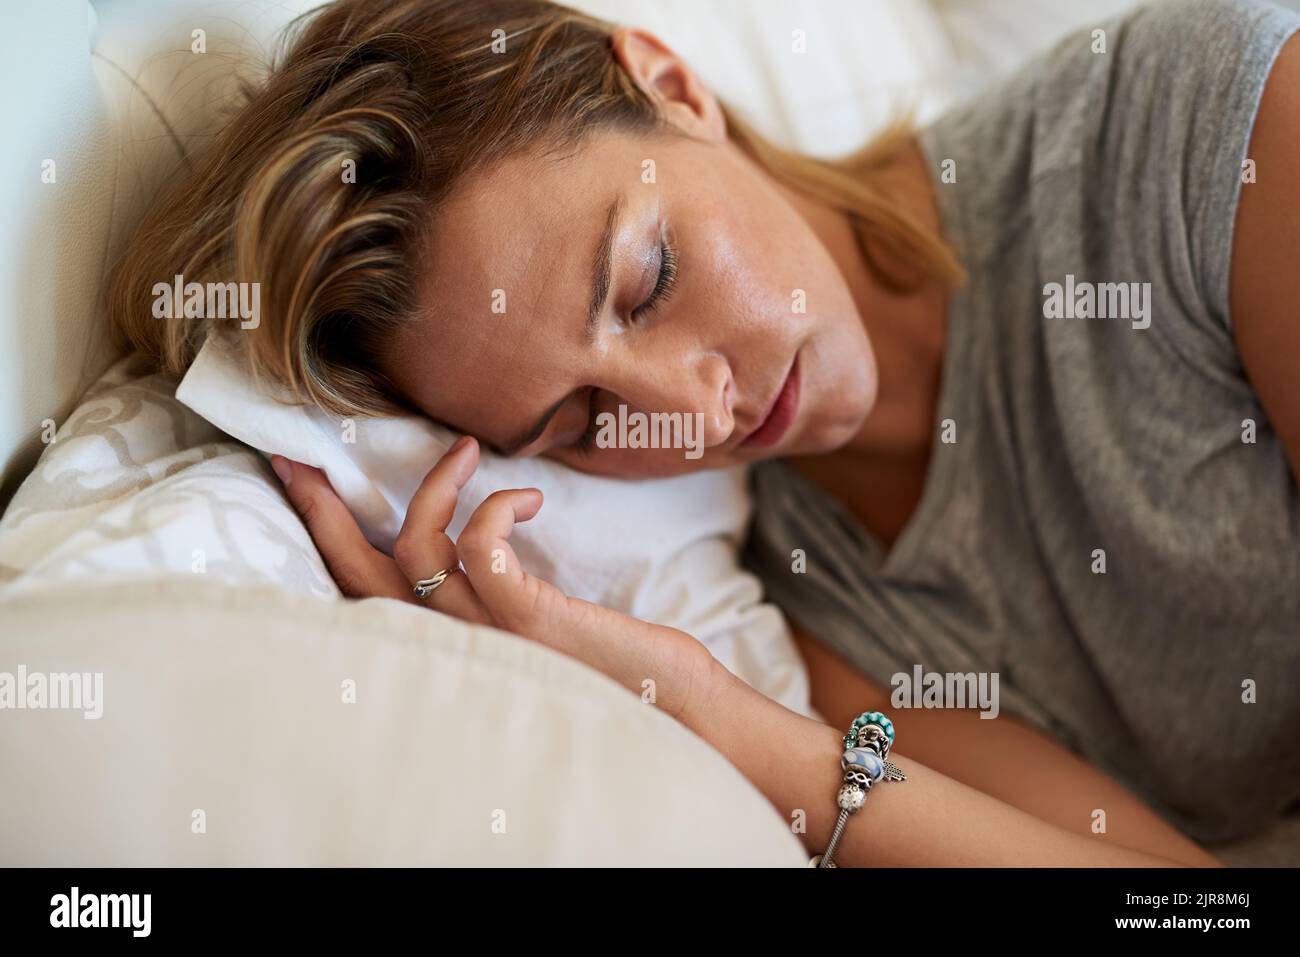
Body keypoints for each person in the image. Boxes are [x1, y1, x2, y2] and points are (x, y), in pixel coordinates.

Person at [106, 0, 1300, 866]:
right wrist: (697, 706)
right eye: (578, 419)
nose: (690, 412)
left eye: (647, 280)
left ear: (673, 83)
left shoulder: (1205, 134)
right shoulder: (815, 609)